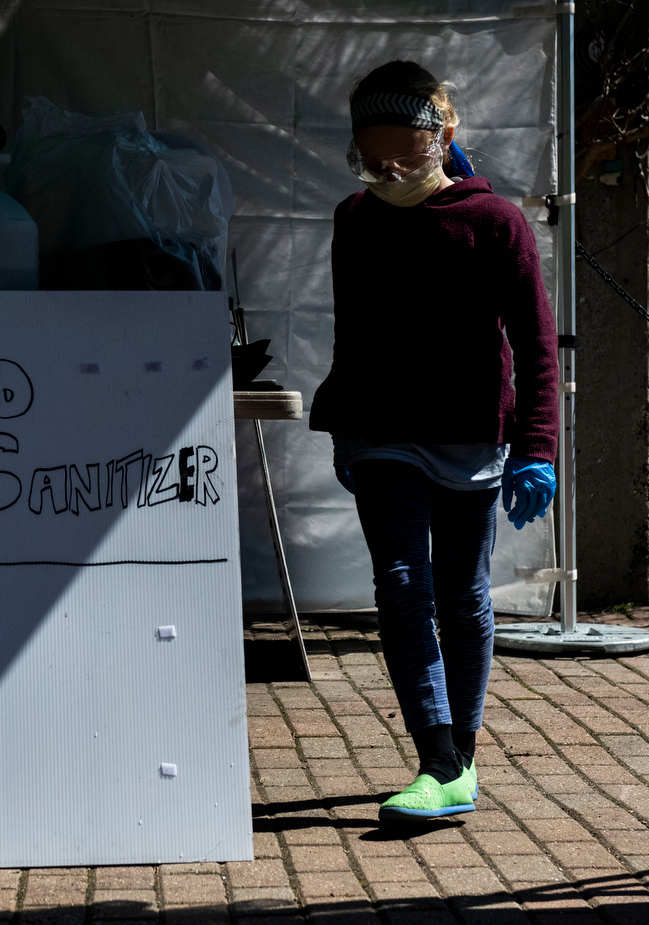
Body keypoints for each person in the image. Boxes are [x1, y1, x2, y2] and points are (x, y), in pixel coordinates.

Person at [310, 61, 559, 821]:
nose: (387, 173)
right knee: (402, 584)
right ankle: (436, 755)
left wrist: (538, 446)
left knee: (462, 594)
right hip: (381, 434)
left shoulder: (495, 223)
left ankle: (465, 753)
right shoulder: (355, 219)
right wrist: (346, 432)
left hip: (471, 439)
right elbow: (352, 333)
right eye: (371, 160)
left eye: (405, 158)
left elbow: (536, 342)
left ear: (444, 136)